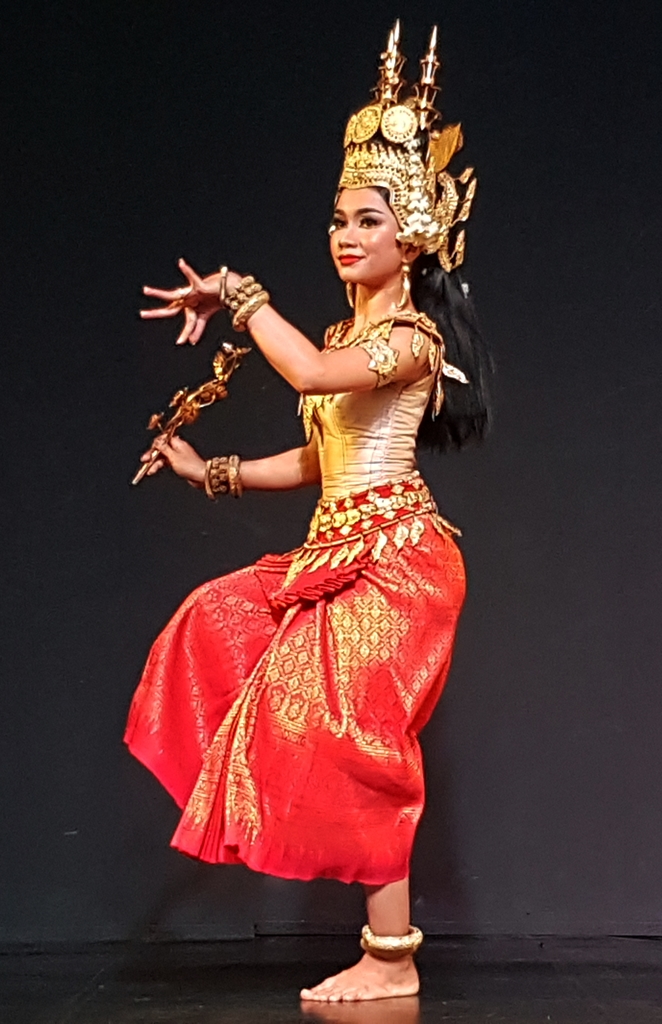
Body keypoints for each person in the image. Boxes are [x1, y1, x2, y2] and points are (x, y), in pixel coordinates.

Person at [125, 23, 492, 1003]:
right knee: (223, 630)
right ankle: (381, 951)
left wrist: (242, 297)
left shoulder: (409, 339)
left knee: (364, 742)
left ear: (408, 231)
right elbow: (317, 453)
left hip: (399, 560)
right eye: (336, 217)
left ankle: (388, 958)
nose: (343, 233)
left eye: (365, 218)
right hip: (338, 546)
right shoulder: (343, 330)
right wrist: (216, 471)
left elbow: (314, 373)